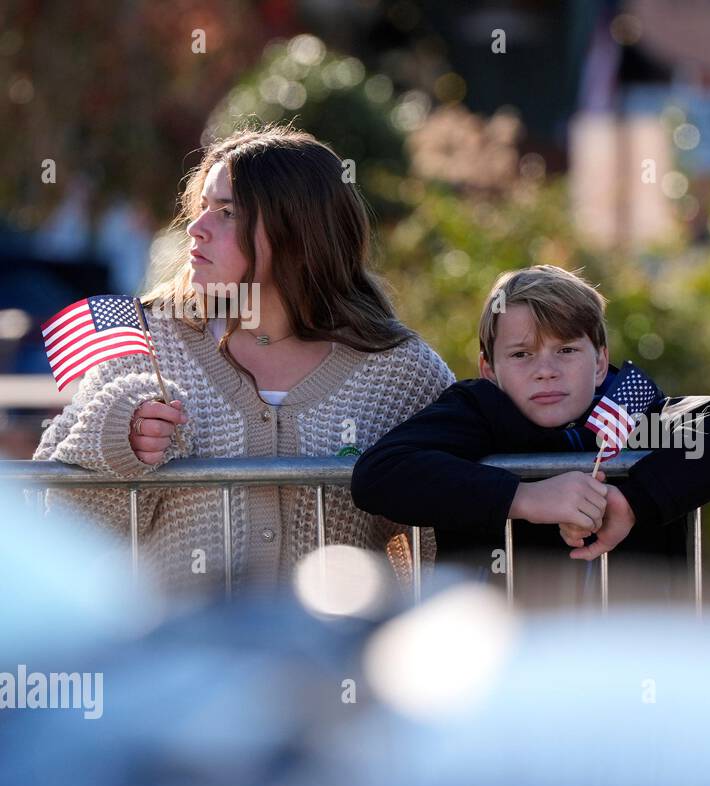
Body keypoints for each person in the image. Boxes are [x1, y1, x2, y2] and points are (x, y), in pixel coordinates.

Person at [34, 125, 456, 598]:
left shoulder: (401, 372)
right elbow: (53, 527)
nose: (196, 228)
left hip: (328, 666)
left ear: (298, 230)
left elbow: (458, 539)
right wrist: (117, 440)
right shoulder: (148, 344)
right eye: (202, 208)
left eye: (227, 212)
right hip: (181, 662)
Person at [350, 264, 710, 605]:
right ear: (490, 369)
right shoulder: (477, 413)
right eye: (521, 354)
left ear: (600, 361)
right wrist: (527, 498)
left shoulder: (636, 416)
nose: (546, 370)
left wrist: (634, 501)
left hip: (631, 669)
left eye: (566, 350)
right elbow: (379, 474)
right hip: (500, 662)